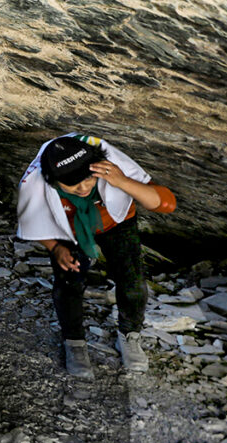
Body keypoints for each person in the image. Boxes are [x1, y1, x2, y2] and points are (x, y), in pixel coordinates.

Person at [17, 133, 176, 379]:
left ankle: (130, 336)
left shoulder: (110, 165)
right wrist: (55, 247)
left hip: (117, 221)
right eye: (71, 185)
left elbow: (166, 204)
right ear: (52, 181)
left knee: (132, 280)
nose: (83, 188)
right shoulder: (36, 181)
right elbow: (31, 219)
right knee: (69, 282)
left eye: (88, 179)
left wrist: (121, 181)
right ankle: (74, 342)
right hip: (69, 231)